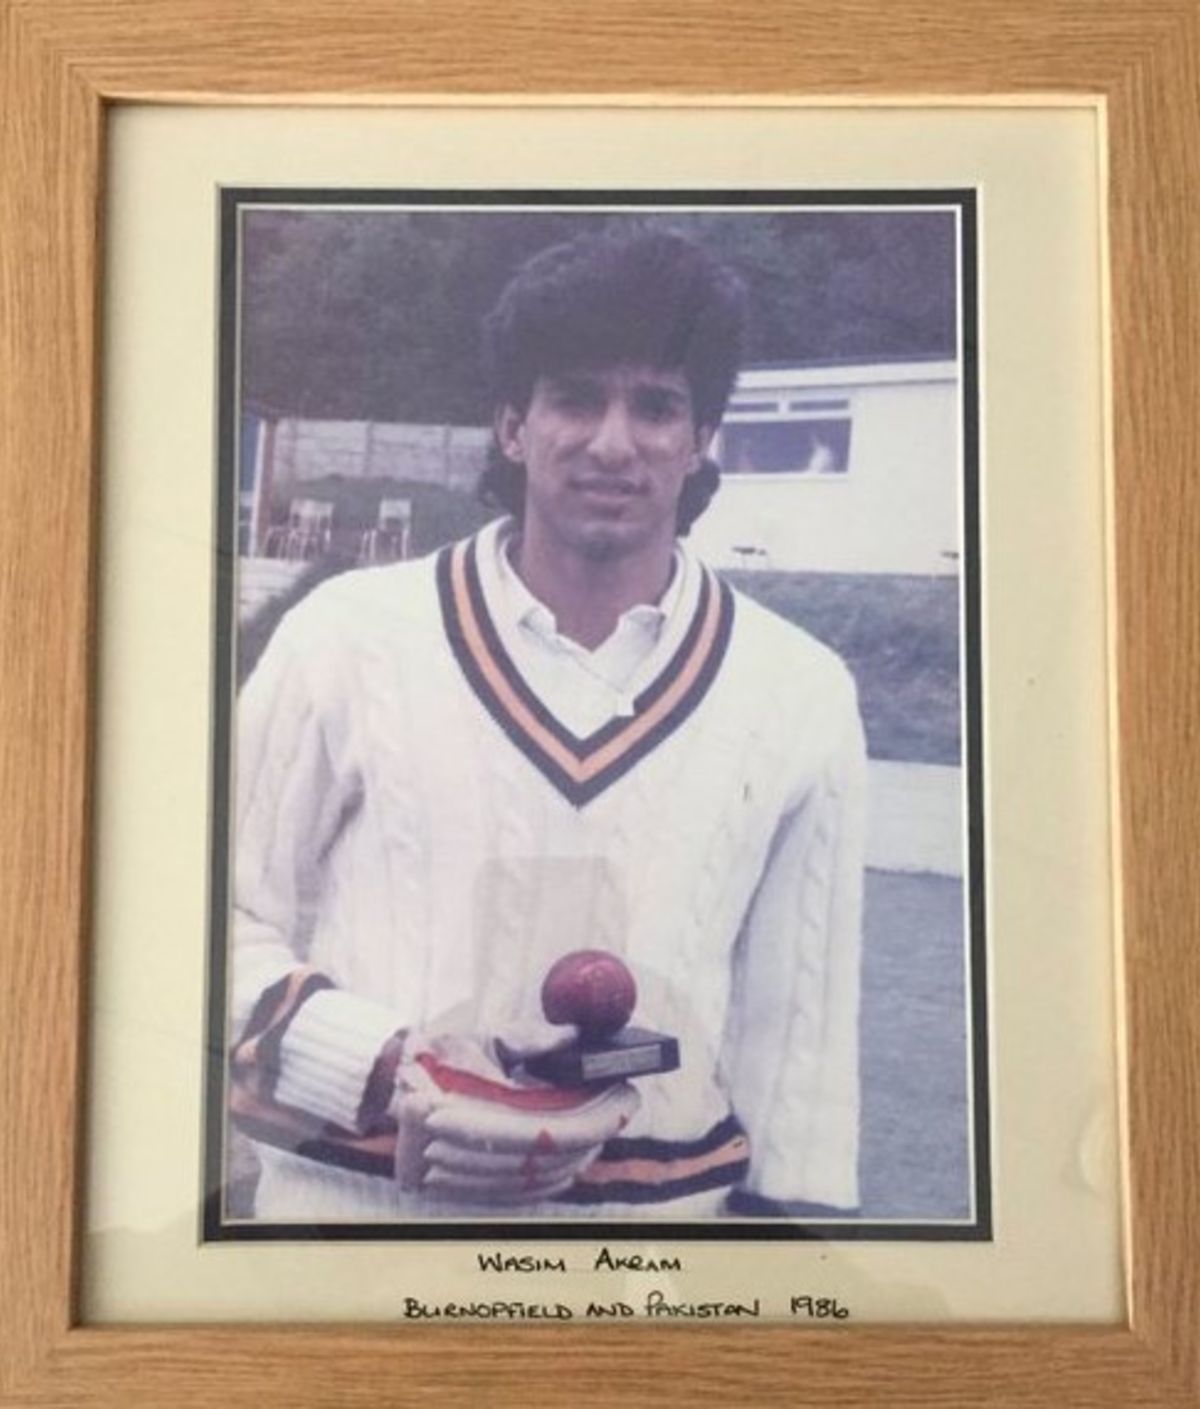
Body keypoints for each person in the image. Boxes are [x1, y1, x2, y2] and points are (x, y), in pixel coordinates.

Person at [228, 226, 868, 1221]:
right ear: (512, 427)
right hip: (353, 1232)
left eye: (656, 406)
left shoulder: (800, 688)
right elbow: (210, 920)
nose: (613, 441)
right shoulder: (347, 635)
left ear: (701, 438)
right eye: (575, 397)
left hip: (645, 1265)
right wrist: (386, 1062)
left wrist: (788, 1252)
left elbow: (801, 1043)